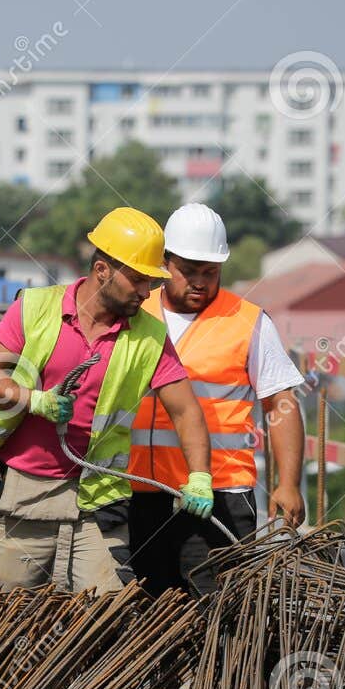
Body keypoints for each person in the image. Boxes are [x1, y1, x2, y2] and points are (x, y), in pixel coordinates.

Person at [0, 206, 215, 592]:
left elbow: (186, 411)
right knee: (7, 608)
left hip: (100, 498)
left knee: (106, 609)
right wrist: (32, 400)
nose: (147, 293)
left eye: (150, 282)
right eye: (139, 280)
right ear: (102, 270)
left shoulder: (149, 336)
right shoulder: (35, 308)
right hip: (27, 491)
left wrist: (199, 476)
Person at [129, 202, 308, 600]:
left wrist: (289, 483)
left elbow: (280, 402)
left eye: (209, 273)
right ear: (165, 263)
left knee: (217, 610)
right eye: (188, 271)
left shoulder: (248, 321)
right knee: (142, 609)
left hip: (221, 496)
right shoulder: (133, 314)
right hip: (140, 491)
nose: (199, 282)